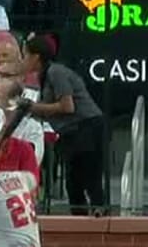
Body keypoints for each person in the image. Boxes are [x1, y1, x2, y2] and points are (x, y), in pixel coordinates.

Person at [25, 36, 104, 214]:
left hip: (86, 127)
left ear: (36, 57)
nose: (24, 60)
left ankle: (100, 216)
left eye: (26, 55)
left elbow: (67, 106)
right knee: (73, 183)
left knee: (89, 177)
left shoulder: (56, 72)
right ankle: (80, 222)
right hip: (70, 132)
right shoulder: (44, 76)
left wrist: (32, 107)